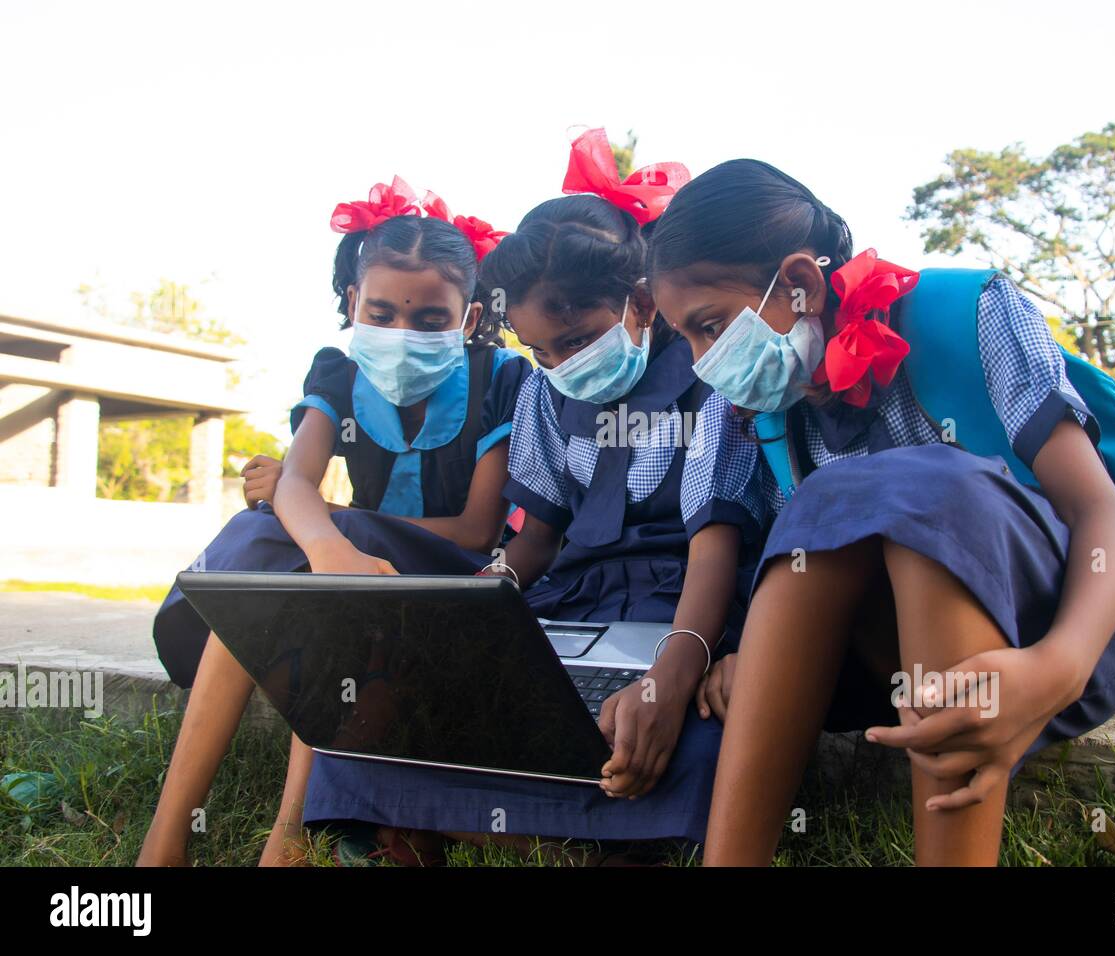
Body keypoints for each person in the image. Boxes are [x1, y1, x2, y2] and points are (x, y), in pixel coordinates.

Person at [647, 158, 1115, 866]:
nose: (701, 360)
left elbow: (1098, 514)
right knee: (827, 510)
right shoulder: (739, 411)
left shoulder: (970, 314)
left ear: (800, 285)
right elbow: (724, 568)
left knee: (923, 494)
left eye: (709, 326)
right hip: (877, 657)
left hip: (1052, 621)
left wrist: (1057, 666)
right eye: (685, 337)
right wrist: (706, 664)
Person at [298, 131, 767, 863]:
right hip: (573, 604)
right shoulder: (549, 396)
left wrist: (673, 674)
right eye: (539, 351)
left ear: (641, 304)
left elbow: (714, 548)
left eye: (577, 339)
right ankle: (455, 823)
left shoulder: (706, 380)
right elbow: (538, 537)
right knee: (397, 704)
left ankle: (587, 832)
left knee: (683, 736)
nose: (559, 366)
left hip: (685, 611)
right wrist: (492, 596)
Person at [137, 177, 527, 866]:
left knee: (302, 555)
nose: (401, 333)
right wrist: (326, 544)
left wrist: (342, 524)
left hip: (452, 579)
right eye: (380, 311)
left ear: (467, 319)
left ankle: (289, 832)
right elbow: (294, 483)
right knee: (275, 550)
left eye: (430, 320)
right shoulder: (339, 375)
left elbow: (474, 531)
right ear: (353, 304)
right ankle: (165, 840)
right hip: (348, 571)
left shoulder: (499, 378)